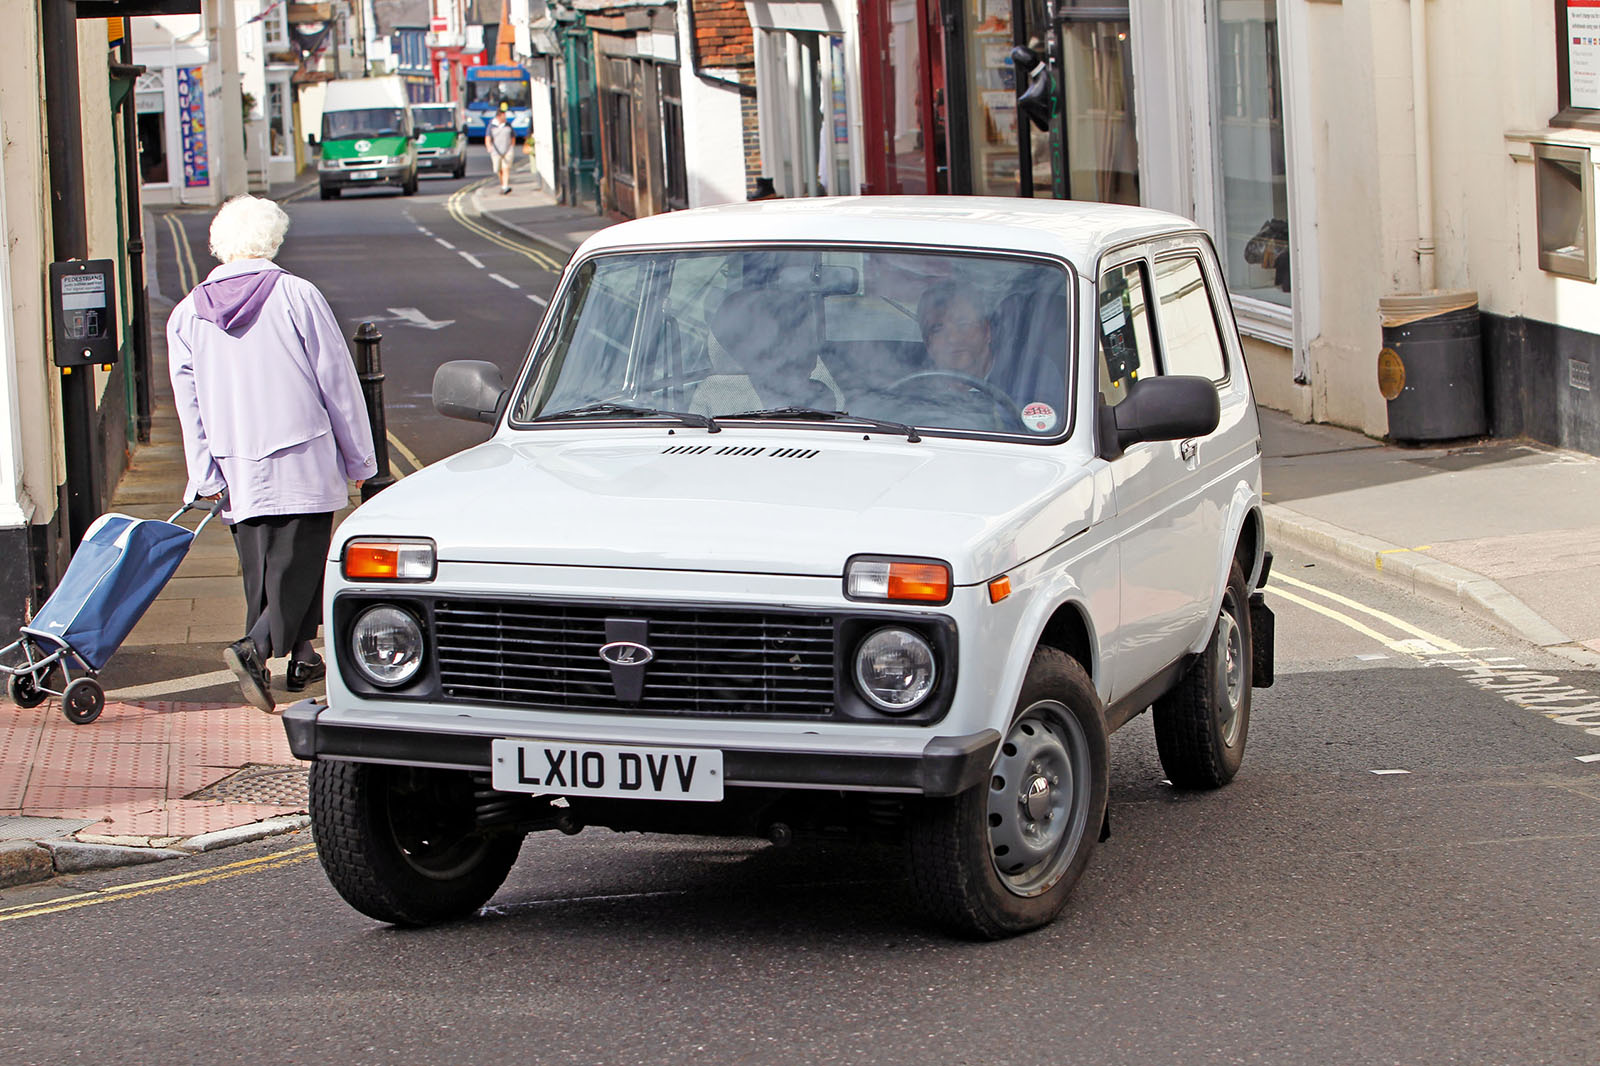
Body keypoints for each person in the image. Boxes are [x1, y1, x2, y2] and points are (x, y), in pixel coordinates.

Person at [167, 195, 377, 713]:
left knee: (262, 568)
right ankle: (253, 648)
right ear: (273, 238)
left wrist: (204, 472)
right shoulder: (296, 295)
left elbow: (187, 402)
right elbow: (338, 383)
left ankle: (302, 657)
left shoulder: (186, 314)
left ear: (221, 244)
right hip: (301, 454)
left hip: (234, 461)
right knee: (298, 567)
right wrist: (361, 461)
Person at [486, 101, 515, 194]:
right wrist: (489, 147)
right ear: (499, 116)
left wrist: (512, 147)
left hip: (507, 151)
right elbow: (488, 137)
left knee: (506, 168)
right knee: (499, 170)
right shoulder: (491, 125)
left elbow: (513, 136)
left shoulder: (508, 125)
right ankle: (503, 185)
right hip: (496, 152)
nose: (505, 117)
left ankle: (505, 186)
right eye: (504, 116)